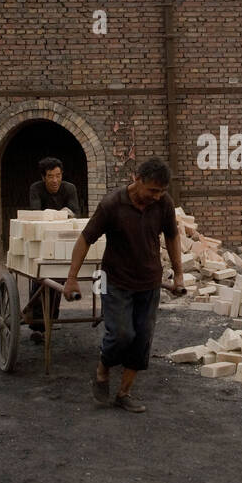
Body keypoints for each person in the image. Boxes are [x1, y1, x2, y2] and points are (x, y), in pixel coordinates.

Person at [63, 158, 185, 413]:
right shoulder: (112, 204)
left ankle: (124, 393)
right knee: (121, 335)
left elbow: (172, 237)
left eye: (162, 191)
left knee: (141, 339)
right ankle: (103, 368)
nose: (157, 196)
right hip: (116, 280)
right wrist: (72, 278)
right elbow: (85, 239)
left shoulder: (163, 204)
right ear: (136, 179)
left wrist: (179, 274)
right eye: (152, 190)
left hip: (149, 281)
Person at [24, 157, 83, 341]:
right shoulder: (36, 189)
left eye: (58, 175)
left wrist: (55, 216)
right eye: (51, 176)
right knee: (40, 279)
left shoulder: (69, 188)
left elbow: (75, 212)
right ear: (44, 177)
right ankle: (37, 324)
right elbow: (36, 215)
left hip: (65, 241)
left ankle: (49, 319)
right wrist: (60, 215)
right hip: (42, 241)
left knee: (57, 280)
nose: (55, 180)